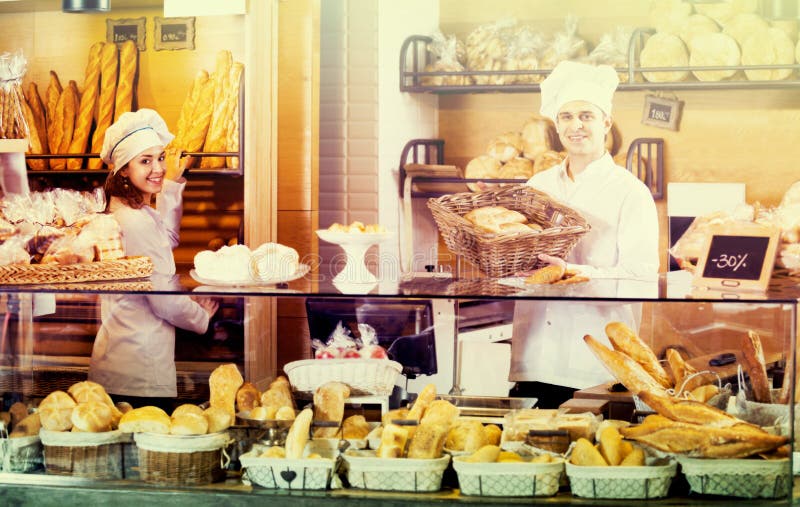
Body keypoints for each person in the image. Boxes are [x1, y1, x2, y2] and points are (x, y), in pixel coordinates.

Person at [508, 61, 659, 408]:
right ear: (557, 125)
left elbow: (642, 276)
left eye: (586, 116)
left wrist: (575, 272)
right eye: (566, 116)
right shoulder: (537, 186)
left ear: (606, 122)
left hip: (597, 366)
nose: (575, 126)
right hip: (535, 357)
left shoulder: (630, 191)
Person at [88, 109, 218, 411]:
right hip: (140, 369)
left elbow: (164, 238)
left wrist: (171, 185)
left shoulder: (125, 212)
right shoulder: (136, 222)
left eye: (160, 157)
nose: (158, 167)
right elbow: (165, 302)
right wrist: (201, 316)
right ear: (123, 169)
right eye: (145, 161)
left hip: (118, 360)